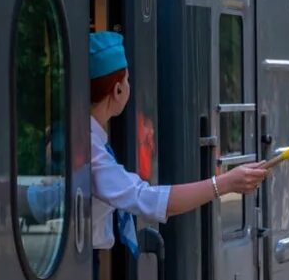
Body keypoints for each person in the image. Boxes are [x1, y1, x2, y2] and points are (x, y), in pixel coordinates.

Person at [89, 31, 266, 257]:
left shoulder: (89, 139)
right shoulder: (90, 148)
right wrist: (225, 183)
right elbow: (144, 199)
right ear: (118, 90)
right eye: (127, 80)